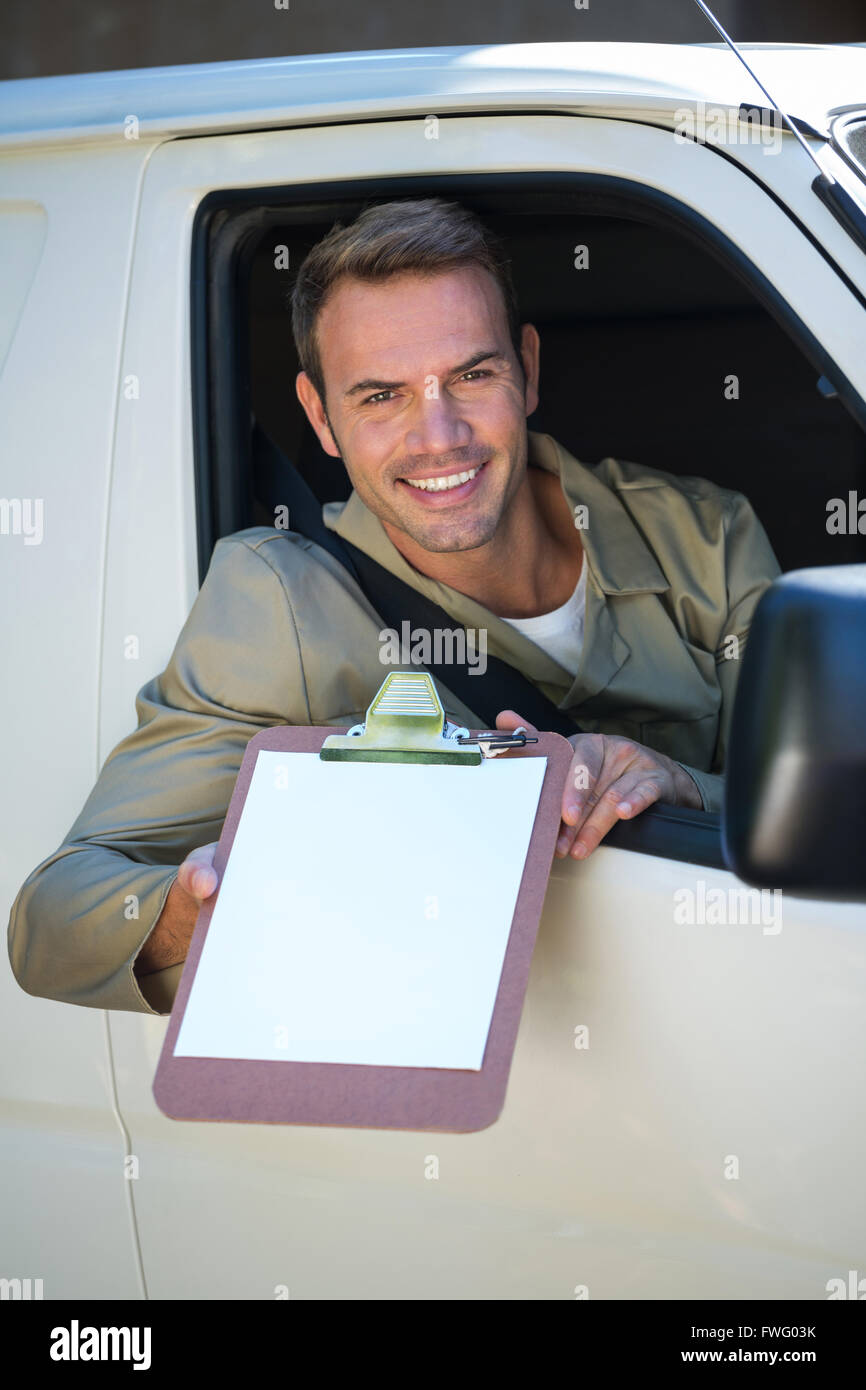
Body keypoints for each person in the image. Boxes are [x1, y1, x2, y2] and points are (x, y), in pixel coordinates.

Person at [7, 197, 780, 1014]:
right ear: (321, 417)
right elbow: (53, 922)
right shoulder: (281, 604)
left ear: (528, 370)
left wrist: (683, 786)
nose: (438, 435)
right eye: (380, 396)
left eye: (472, 375)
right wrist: (200, 905)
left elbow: (835, 808)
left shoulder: (702, 536)